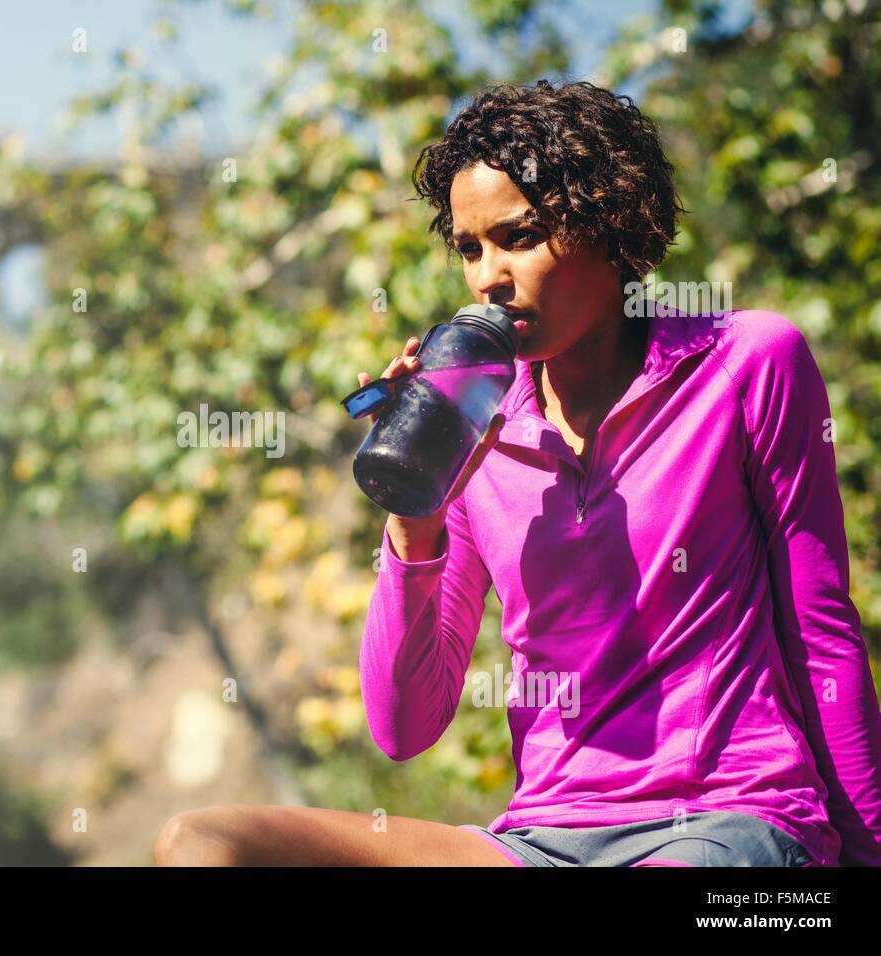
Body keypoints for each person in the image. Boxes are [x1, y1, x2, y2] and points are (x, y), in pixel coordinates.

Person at [153, 79, 881, 867]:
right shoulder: (474, 427)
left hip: (726, 817)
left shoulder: (746, 362)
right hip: (543, 839)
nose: (487, 278)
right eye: (470, 248)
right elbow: (405, 728)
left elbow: (821, 634)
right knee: (201, 843)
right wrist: (415, 501)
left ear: (611, 223)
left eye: (520, 236)